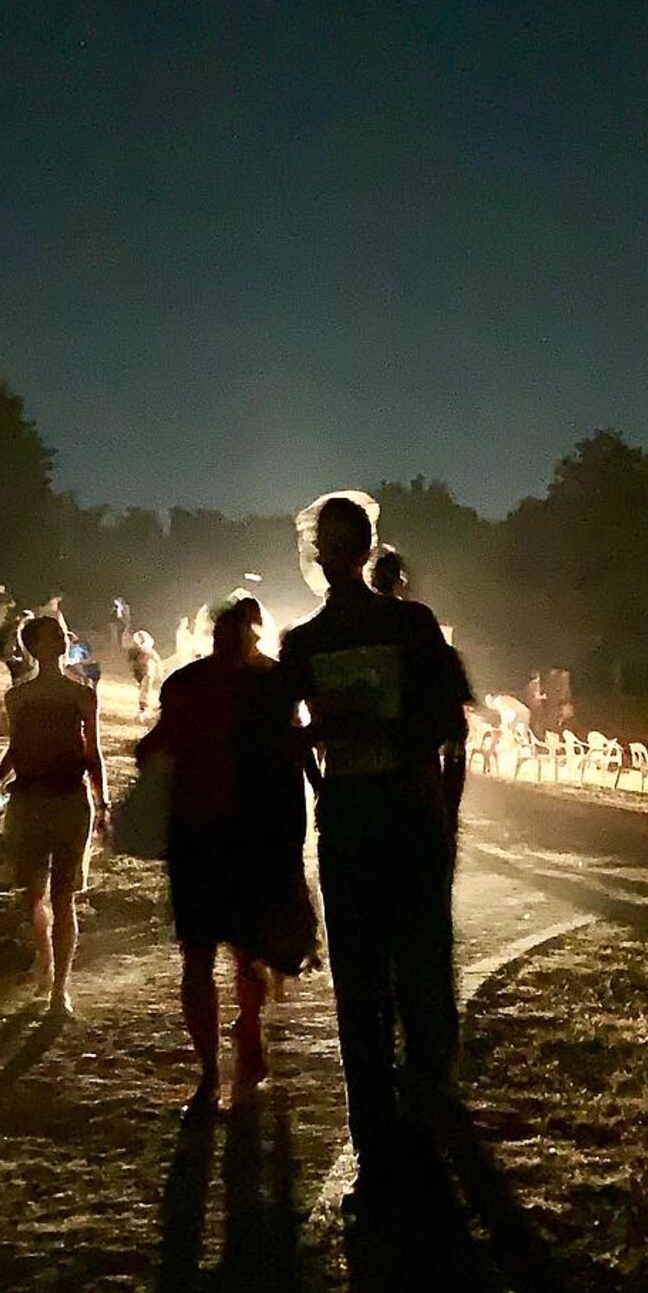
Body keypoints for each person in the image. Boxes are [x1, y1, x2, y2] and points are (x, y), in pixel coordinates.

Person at [280, 494, 472, 1207]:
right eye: (324, 545)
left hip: (401, 823)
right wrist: (317, 755)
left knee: (416, 980)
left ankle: (422, 1136)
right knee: (361, 990)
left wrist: (381, 740)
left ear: (362, 550)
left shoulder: (408, 625)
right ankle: (376, 1151)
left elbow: (447, 720)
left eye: (343, 543)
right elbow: (283, 730)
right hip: (354, 824)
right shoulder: (306, 642)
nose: (332, 556)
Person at [137, 597, 312, 1107]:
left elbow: (156, 744)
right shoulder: (267, 684)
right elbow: (288, 759)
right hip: (239, 837)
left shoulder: (189, 683)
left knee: (206, 956)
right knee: (238, 953)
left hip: (204, 835)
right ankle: (238, 1043)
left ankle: (215, 1067)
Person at [0, 614, 108, 1016]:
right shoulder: (18, 696)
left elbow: (92, 753)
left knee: (63, 896)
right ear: (33, 647)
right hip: (30, 800)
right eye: (51, 634)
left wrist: (102, 802)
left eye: (60, 633)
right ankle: (47, 965)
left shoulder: (82, 694)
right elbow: (16, 749)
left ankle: (59, 987)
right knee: (34, 896)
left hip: (70, 798)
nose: (60, 639)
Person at [127, 629, 163, 720]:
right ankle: (143, 709)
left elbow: (157, 661)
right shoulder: (136, 651)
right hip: (141, 672)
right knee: (143, 690)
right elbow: (132, 663)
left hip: (146, 672)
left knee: (144, 690)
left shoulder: (147, 651)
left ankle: (144, 708)